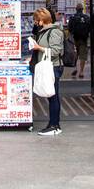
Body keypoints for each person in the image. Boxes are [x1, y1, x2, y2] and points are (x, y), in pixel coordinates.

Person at [28, 8, 66, 137]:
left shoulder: (54, 31)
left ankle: (55, 125)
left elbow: (56, 51)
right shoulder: (43, 32)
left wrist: (38, 47)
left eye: (36, 19)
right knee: (51, 96)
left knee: (53, 96)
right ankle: (53, 124)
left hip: (53, 67)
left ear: (42, 19)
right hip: (49, 66)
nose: (35, 22)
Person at [67, 3, 91, 80]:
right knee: (83, 55)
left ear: (76, 9)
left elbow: (69, 29)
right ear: (82, 9)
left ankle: (75, 68)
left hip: (75, 38)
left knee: (75, 54)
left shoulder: (73, 17)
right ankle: (81, 71)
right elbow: (90, 28)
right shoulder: (87, 17)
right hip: (84, 39)